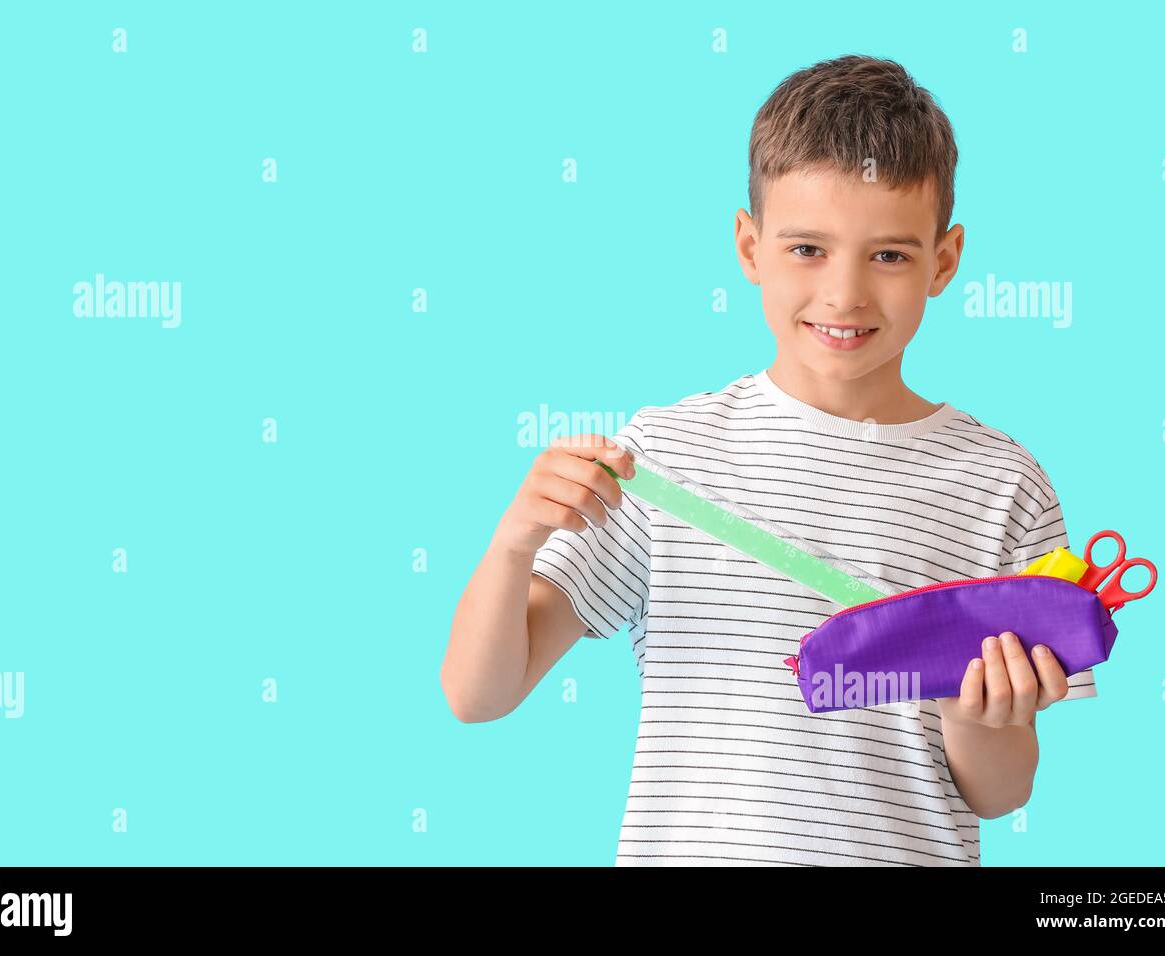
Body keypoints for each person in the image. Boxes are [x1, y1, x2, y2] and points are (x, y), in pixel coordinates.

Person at [442, 54, 1093, 866]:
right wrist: (514, 546)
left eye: (889, 255)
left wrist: (974, 715)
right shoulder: (665, 458)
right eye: (808, 248)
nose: (845, 294)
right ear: (750, 247)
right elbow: (478, 694)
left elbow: (1002, 794)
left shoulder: (1002, 484)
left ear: (945, 260)